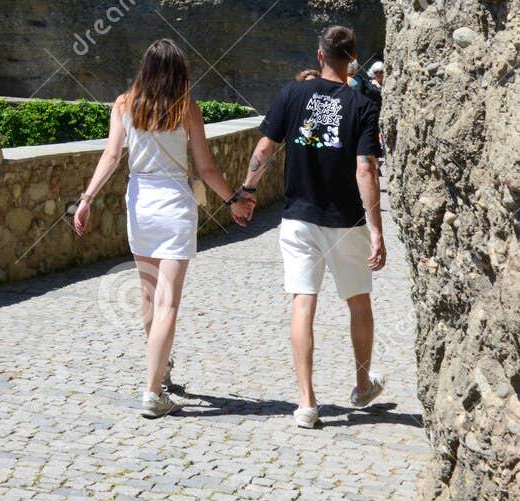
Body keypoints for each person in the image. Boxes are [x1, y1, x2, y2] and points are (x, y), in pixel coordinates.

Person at [73, 37, 254, 418]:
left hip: (140, 201)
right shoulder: (187, 108)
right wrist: (232, 200)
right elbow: (206, 169)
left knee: (147, 293)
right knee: (168, 299)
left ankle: (161, 366)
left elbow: (111, 155)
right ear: (179, 71)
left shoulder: (125, 104)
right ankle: (153, 392)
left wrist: (87, 198)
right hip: (174, 204)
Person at [237, 24, 386, 429]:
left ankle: (306, 402)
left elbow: (265, 148)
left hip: (298, 218)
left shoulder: (292, 94)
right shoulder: (363, 106)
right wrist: (376, 229)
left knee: (304, 303)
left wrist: (246, 191)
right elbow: (365, 169)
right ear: (351, 59)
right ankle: (361, 384)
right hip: (345, 221)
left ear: (320, 56)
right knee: (358, 301)